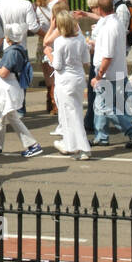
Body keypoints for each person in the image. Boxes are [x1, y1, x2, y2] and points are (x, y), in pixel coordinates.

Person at [87, 0, 132, 148]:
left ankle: (131, 129)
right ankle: (101, 136)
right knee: (99, 104)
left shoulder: (109, 27)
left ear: (99, 8)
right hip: (115, 70)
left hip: (108, 73)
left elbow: (108, 56)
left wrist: (98, 76)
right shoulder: (114, 22)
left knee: (105, 107)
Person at [0, 21, 42, 159]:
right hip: (10, 87)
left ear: (8, 37)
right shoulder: (19, 50)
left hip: (7, 88)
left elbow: (3, 73)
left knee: (8, 117)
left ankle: (32, 144)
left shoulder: (12, 52)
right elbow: (9, 66)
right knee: (3, 117)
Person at [46, 10, 91, 159]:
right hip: (78, 78)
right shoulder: (80, 39)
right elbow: (86, 60)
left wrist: (48, 54)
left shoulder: (60, 42)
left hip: (65, 80)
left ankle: (81, 147)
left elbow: (57, 65)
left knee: (70, 115)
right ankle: (70, 143)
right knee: (74, 112)